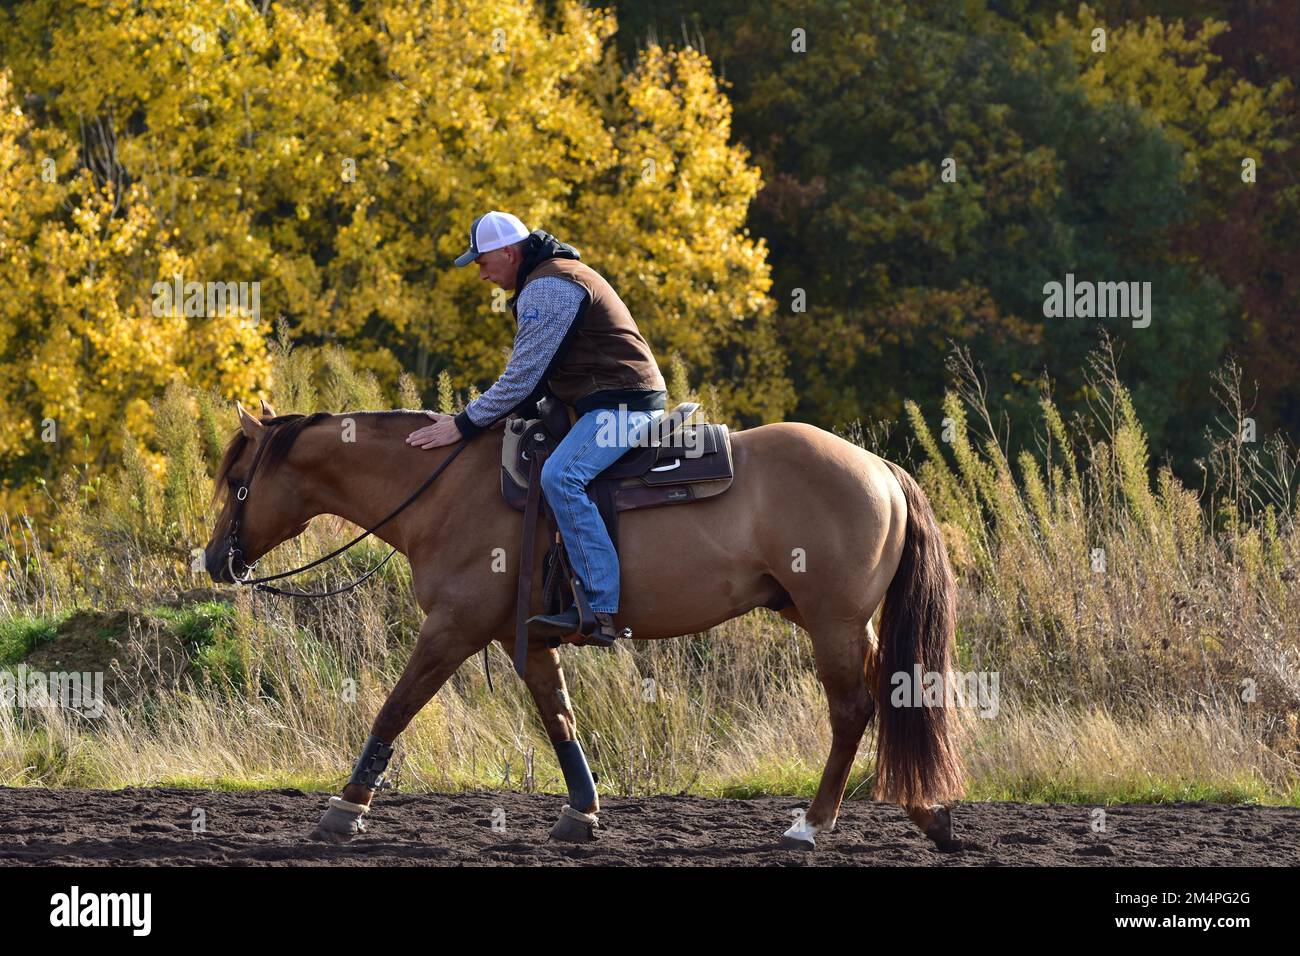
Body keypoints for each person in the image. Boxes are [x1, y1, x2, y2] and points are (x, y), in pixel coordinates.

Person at [406, 211, 666, 643]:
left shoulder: (548, 286)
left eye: (483, 262)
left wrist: (463, 424)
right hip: (601, 402)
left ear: (508, 253)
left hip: (623, 406)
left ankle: (599, 608)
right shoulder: (546, 279)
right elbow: (533, 384)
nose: (482, 274)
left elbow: (522, 378)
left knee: (562, 476)